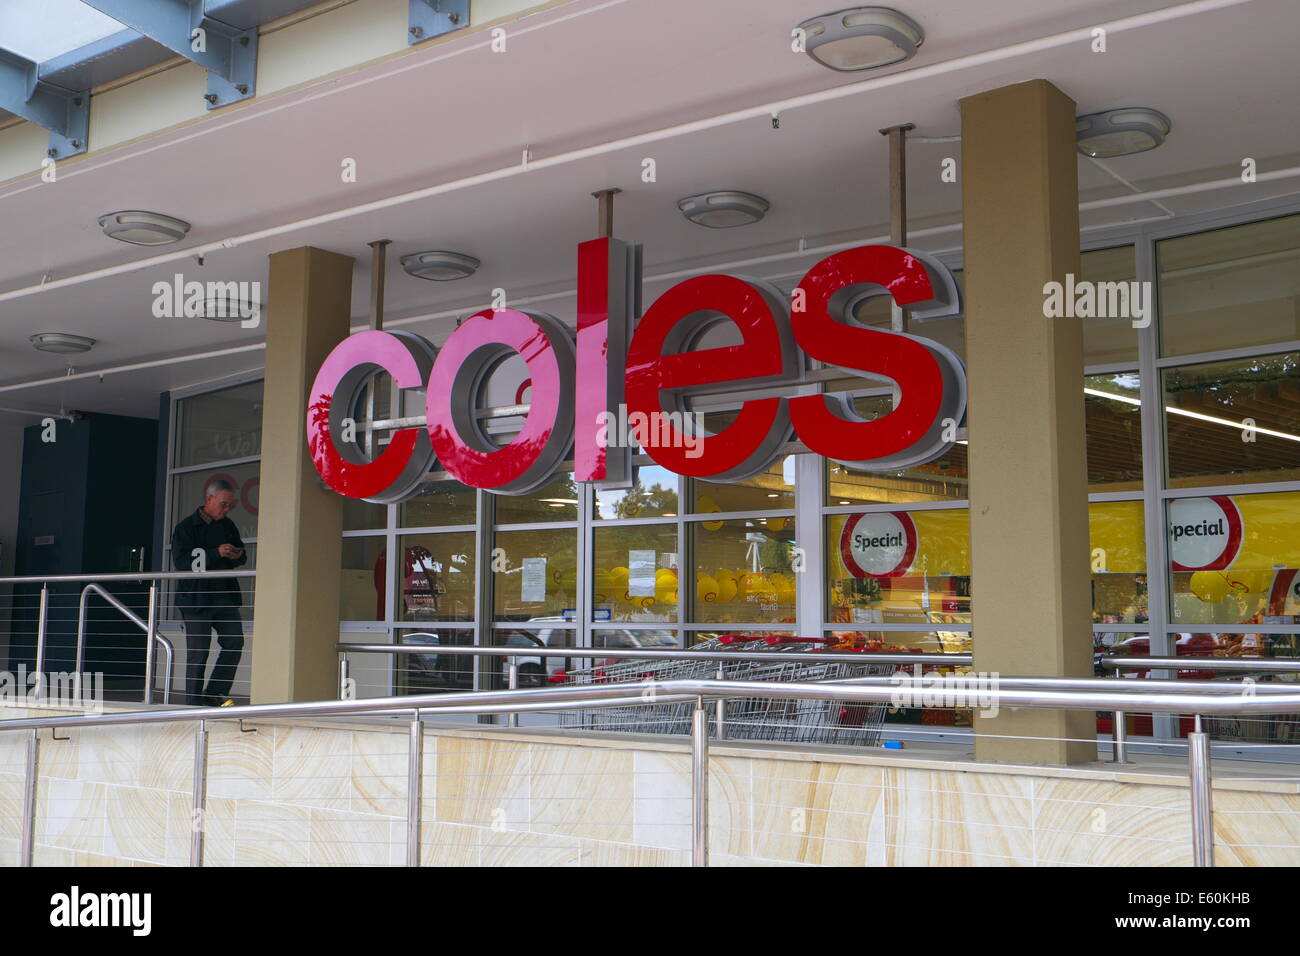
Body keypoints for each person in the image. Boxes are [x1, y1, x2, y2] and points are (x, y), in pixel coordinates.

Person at [171, 478, 247, 706]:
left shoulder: (228, 525)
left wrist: (237, 555)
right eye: (224, 504)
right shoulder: (186, 527)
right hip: (196, 599)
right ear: (209, 499)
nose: (226, 510)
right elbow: (183, 562)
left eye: (231, 506)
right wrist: (216, 553)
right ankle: (194, 702)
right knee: (199, 651)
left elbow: (240, 555)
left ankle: (214, 692)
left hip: (224, 596)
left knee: (234, 642)